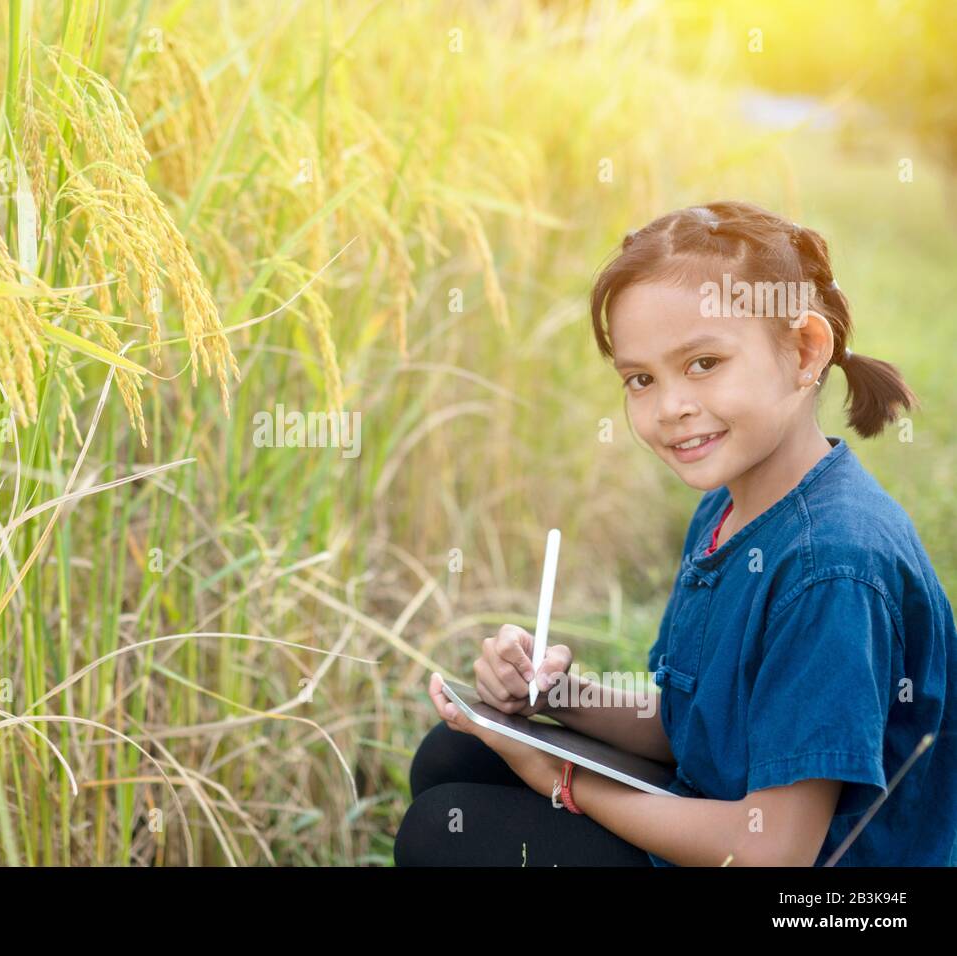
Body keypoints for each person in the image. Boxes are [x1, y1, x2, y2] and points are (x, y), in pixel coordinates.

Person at [395, 200, 957, 866]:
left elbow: (772, 851)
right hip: (727, 807)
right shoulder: (731, 505)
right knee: (456, 750)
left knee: (440, 833)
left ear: (805, 350)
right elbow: (696, 730)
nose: (670, 409)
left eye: (703, 364)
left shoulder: (831, 568)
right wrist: (556, 696)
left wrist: (567, 783)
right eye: (640, 378)